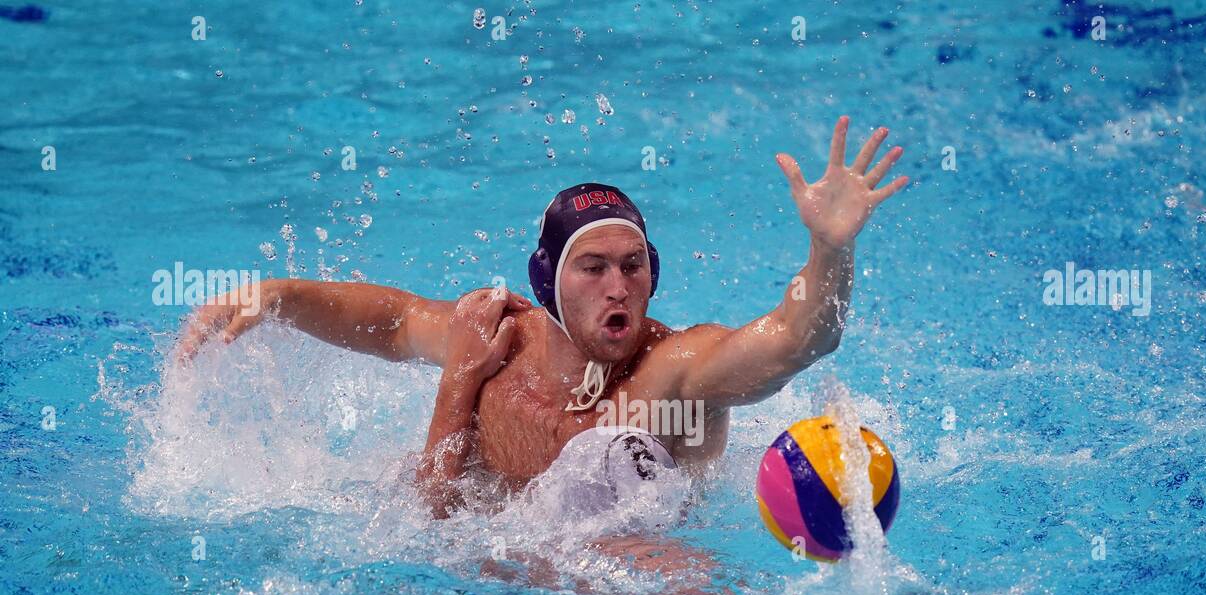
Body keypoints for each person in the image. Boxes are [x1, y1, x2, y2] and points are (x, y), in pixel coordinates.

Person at [176, 115, 908, 521]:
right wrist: (277, 296)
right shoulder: (499, 339)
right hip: (485, 581)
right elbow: (395, 322)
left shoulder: (673, 374)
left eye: (634, 266)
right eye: (593, 269)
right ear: (548, 284)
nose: (619, 286)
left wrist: (828, 248)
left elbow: (797, 339)